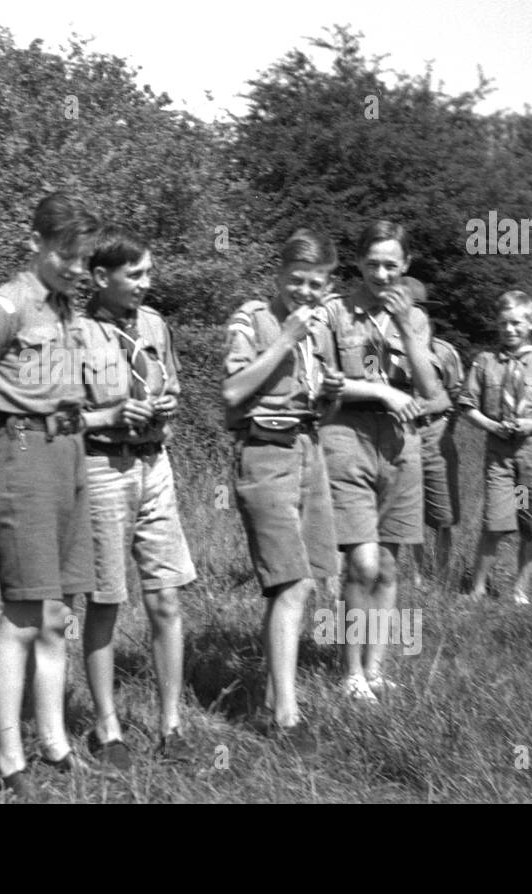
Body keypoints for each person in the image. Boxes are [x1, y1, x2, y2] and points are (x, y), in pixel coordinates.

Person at [0, 191, 101, 801]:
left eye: (84, 259)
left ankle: (54, 742)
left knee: (58, 614)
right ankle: (10, 757)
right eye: (66, 255)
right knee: (22, 616)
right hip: (22, 458)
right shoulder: (7, 305)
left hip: (69, 457)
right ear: (34, 242)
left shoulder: (64, 307)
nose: (76, 268)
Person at [77, 228, 200, 769]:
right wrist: (108, 415)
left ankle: (171, 725)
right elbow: (53, 416)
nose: (146, 285)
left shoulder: (153, 325)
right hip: (102, 469)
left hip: (155, 465)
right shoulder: (72, 332)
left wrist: (167, 402)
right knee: (106, 600)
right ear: (101, 278)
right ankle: (108, 731)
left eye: (150, 274)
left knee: (166, 596)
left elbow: (170, 381)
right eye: (135, 276)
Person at [222, 229, 344, 744]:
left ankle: (276, 697)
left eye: (316, 284)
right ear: (278, 275)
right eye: (297, 281)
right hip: (264, 453)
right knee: (288, 583)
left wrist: (333, 394)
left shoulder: (319, 329)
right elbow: (232, 392)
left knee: (307, 581)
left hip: (308, 449)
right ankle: (286, 719)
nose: (306, 292)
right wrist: (287, 338)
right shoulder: (253, 319)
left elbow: (319, 405)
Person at [321, 220, 448, 701]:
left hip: (401, 443)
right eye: (372, 263)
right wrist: (380, 392)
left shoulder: (413, 317)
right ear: (357, 262)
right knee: (362, 564)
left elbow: (431, 389)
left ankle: (376, 670)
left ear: (406, 265)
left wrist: (402, 326)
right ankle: (350, 671)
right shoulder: (334, 312)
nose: (380, 273)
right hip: (345, 435)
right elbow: (324, 381)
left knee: (390, 567)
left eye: (391, 264)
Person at [458, 290, 532, 605]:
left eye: (517, 323)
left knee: (531, 525)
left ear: (531, 323)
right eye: (504, 323)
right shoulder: (485, 362)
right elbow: (467, 406)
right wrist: (491, 425)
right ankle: (477, 589)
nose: (509, 329)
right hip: (499, 454)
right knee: (495, 523)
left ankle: (519, 591)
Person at [399, 278, 464, 588]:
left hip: (437, 433)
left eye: (416, 309)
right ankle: (418, 575)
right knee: (409, 510)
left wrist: (444, 430)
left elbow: (457, 394)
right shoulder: (383, 349)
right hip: (401, 434)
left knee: (443, 514)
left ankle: (442, 574)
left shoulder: (445, 351)